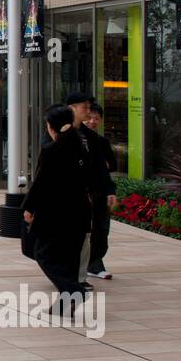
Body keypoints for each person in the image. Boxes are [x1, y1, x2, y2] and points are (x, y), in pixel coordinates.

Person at [22, 104, 92, 316]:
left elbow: (42, 183)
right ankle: (64, 305)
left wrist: (29, 207)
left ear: (52, 127)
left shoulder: (52, 150)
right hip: (79, 213)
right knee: (69, 258)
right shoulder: (81, 146)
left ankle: (73, 289)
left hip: (55, 215)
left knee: (43, 255)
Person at [65, 91, 117, 287]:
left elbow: (104, 168)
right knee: (77, 236)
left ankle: (86, 270)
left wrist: (109, 191)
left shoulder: (95, 140)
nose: (90, 116)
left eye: (95, 116)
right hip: (71, 195)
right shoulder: (59, 134)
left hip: (94, 195)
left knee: (95, 235)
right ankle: (75, 276)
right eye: (86, 109)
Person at [84, 102, 118, 280]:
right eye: (89, 117)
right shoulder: (74, 139)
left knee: (102, 229)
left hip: (100, 191)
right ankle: (79, 265)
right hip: (82, 192)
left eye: (96, 119)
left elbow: (112, 165)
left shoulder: (101, 142)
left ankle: (95, 263)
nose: (92, 121)